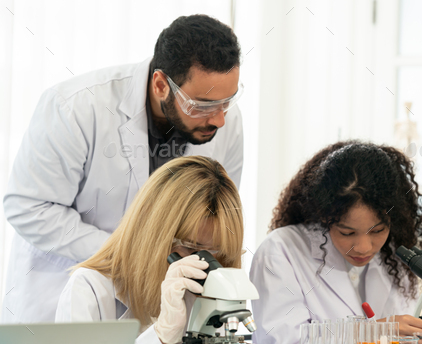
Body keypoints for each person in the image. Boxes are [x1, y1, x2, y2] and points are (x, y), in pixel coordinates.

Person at [3, 14, 245, 323]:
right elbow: (28, 206)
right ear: (161, 85)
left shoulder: (226, 121)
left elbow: (217, 212)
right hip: (64, 298)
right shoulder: (76, 107)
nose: (219, 120)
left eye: (228, 102)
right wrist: (136, 253)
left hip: (165, 303)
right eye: (202, 106)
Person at [249, 141, 422, 344]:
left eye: (377, 230)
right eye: (347, 233)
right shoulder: (281, 252)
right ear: (324, 217)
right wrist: (376, 332)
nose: (364, 247)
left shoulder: (393, 256)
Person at [55, 156, 261, 344]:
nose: (205, 264)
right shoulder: (89, 290)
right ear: (154, 234)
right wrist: (161, 337)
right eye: (191, 248)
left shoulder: (209, 286)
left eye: (215, 252)